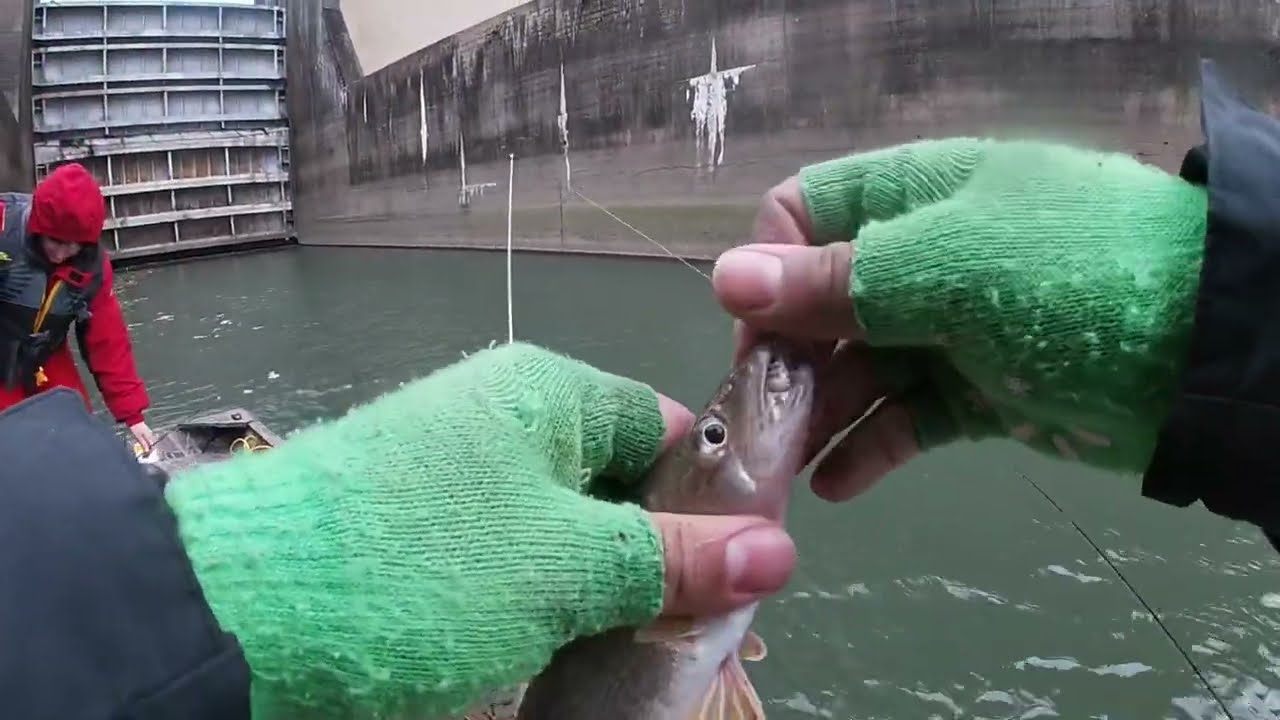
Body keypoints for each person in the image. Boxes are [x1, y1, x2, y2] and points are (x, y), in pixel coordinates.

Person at [2, 57, 1277, 719]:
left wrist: (1208, 314)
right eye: (718, 428)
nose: (749, 402)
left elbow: (107, 353)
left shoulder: (89, 270)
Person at [0, 162, 156, 449]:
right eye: (54, 241)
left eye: (72, 246)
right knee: (12, 443)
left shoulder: (94, 270)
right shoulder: (3, 227)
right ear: (38, 227)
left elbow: (107, 341)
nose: (61, 254)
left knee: (77, 433)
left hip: (45, 355)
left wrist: (132, 415)